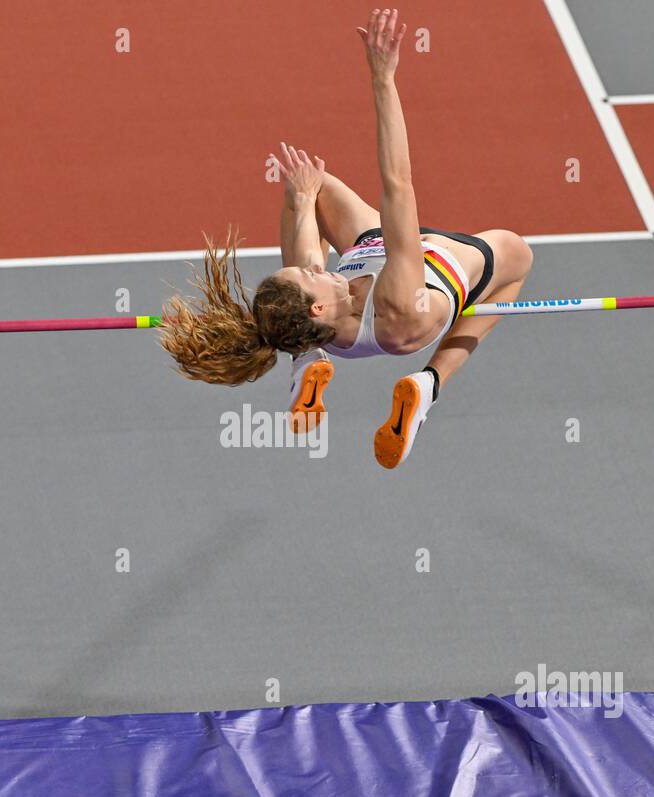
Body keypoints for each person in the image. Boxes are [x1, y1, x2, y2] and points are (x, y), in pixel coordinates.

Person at [159, 8, 534, 468]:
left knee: (307, 186)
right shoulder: (398, 304)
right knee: (517, 256)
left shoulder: (317, 318)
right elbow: (398, 182)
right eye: (309, 273)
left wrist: (300, 201)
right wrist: (383, 79)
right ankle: (429, 385)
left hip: (358, 274)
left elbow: (306, 268)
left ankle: (304, 366)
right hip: (432, 268)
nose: (317, 265)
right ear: (317, 306)